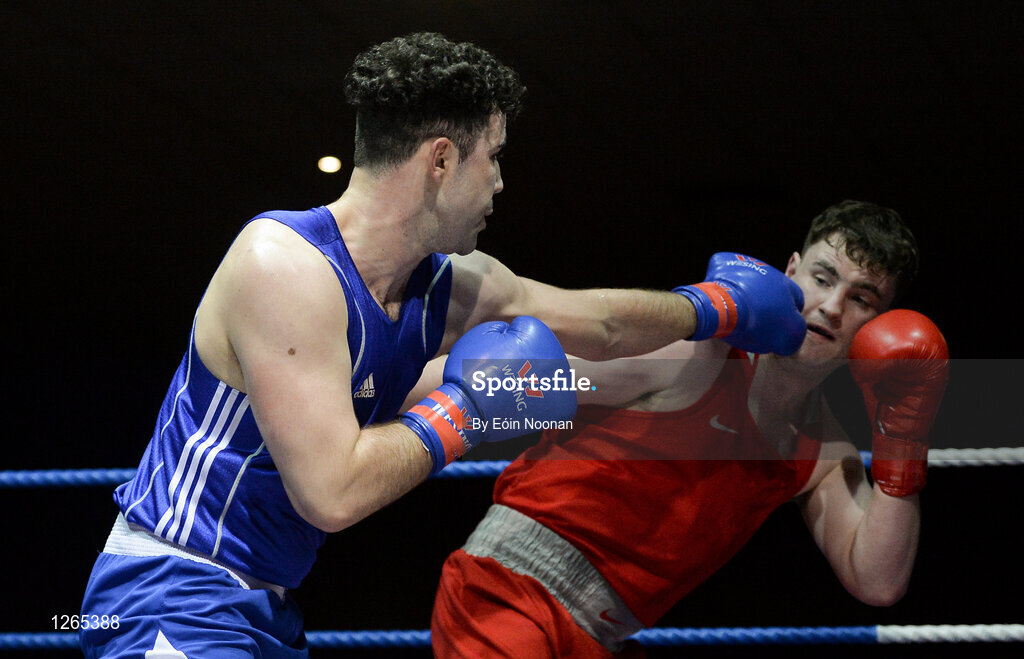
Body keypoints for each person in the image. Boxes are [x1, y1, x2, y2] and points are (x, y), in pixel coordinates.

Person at [79, 33, 807, 657]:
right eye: (491, 156)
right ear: (439, 160)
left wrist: (712, 308)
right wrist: (465, 407)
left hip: (259, 604)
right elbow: (331, 491)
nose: (499, 180)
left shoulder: (452, 286)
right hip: (165, 590)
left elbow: (602, 325)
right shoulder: (283, 266)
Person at [431, 200, 951, 658]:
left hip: (598, 639)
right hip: (507, 595)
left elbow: (878, 581)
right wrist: (371, 395)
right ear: (790, 271)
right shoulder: (692, 358)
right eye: (822, 277)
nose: (832, 306)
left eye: (862, 298)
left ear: (879, 324)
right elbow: (502, 374)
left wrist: (903, 439)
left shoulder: (820, 450)